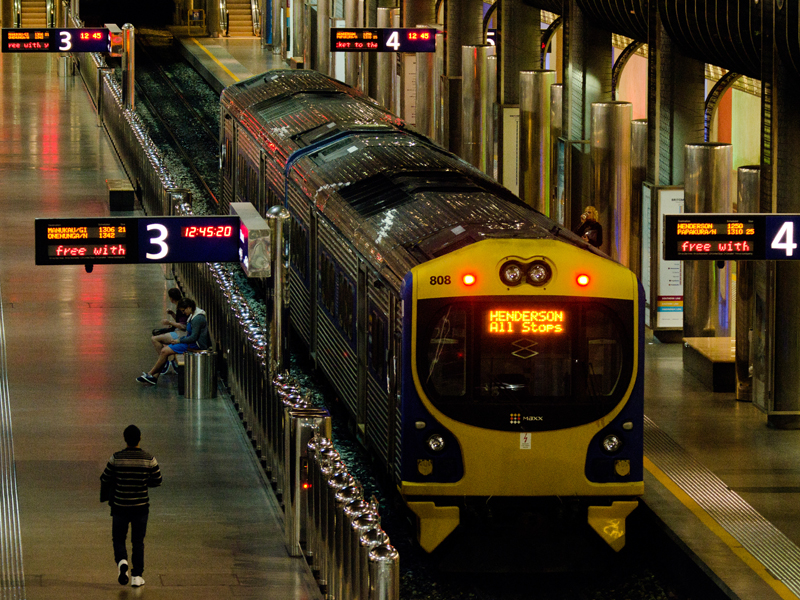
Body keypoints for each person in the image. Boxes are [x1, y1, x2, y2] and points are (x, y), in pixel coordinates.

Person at [100, 425, 162, 588]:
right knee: (138, 541)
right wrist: (143, 482)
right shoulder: (149, 459)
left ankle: (122, 562)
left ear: (125, 439)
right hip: (140, 507)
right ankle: (137, 576)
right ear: (140, 438)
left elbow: (105, 477)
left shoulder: (116, 458)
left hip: (120, 506)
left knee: (119, 539)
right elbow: (158, 480)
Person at [137, 298, 211, 385]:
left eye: (183, 310)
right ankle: (153, 376)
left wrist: (179, 341)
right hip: (190, 343)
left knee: (164, 351)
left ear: (189, 307)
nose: (183, 313)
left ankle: (150, 374)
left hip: (195, 345)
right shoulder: (193, 315)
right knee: (164, 352)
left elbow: (193, 337)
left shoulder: (197, 318)